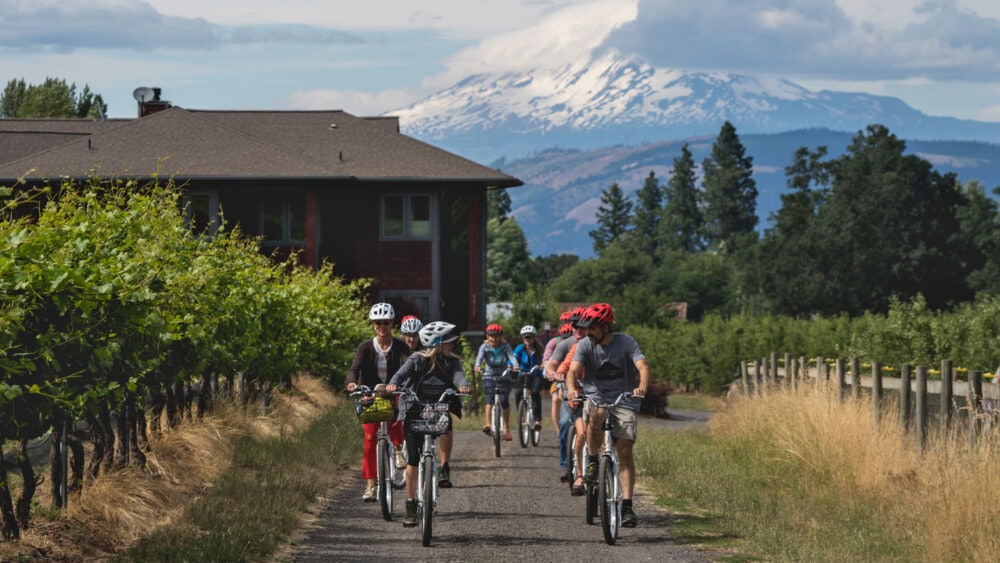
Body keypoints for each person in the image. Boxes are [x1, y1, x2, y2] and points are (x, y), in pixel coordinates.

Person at [566, 303, 650, 528]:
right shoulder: (585, 344)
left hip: (624, 399)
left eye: (591, 328)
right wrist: (572, 388)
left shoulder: (626, 342)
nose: (586, 332)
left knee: (625, 450)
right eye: (585, 328)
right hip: (597, 397)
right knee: (596, 413)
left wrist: (641, 386)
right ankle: (593, 460)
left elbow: (642, 365)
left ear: (605, 326)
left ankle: (627, 506)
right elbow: (573, 371)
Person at [386, 321, 470, 527]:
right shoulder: (417, 359)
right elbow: (401, 374)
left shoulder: (451, 362)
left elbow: (459, 376)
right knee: (413, 459)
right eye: (448, 342)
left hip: (437, 409)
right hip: (415, 409)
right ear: (436, 343)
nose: (452, 345)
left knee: (446, 425)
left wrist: (463, 385)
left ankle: (443, 466)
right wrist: (393, 384)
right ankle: (410, 504)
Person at [345, 303, 410, 502]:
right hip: (370, 395)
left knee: (397, 415)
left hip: (392, 392)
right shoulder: (365, 347)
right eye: (378, 323)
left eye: (386, 322)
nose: (382, 326)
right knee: (370, 438)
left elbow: (408, 366)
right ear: (373, 325)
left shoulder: (400, 346)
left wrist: (401, 384)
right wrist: (352, 382)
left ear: (392, 324)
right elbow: (354, 369)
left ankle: (398, 449)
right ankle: (370, 485)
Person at [546, 307, 586, 481]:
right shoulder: (565, 344)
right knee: (563, 424)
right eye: (574, 325)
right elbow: (552, 364)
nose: (577, 329)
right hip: (569, 391)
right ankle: (565, 465)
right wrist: (552, 373)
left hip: (591, 392)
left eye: (582, 325)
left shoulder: (595, 344)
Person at [474, 323, 519, 440]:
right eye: (491, 336)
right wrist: (477, 366)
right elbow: (479, 358)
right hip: (488, 376)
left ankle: (506, 428)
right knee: (489, 398)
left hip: (504, 376)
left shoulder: (505, 346)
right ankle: (488, 424)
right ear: (487, 336)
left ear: (501, 336)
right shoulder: (484, 347)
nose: (494, 338)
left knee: (504, 401)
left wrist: (515, 365)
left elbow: (512, 357)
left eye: (496, 336)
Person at [512, 324, 544, 432]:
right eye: (526, 337)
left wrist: (543, 365)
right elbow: (513, 358)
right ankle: (521, 414)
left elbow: (545, 360)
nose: (528, 339)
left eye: (530, 337)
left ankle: (537, 421)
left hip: (536, 374)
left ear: (534, 337)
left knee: (535, 393)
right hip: (523, 373)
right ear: (523, 338)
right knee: (517, 393)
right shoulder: (520, 349)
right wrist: (512, 365)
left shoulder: (539, 349)